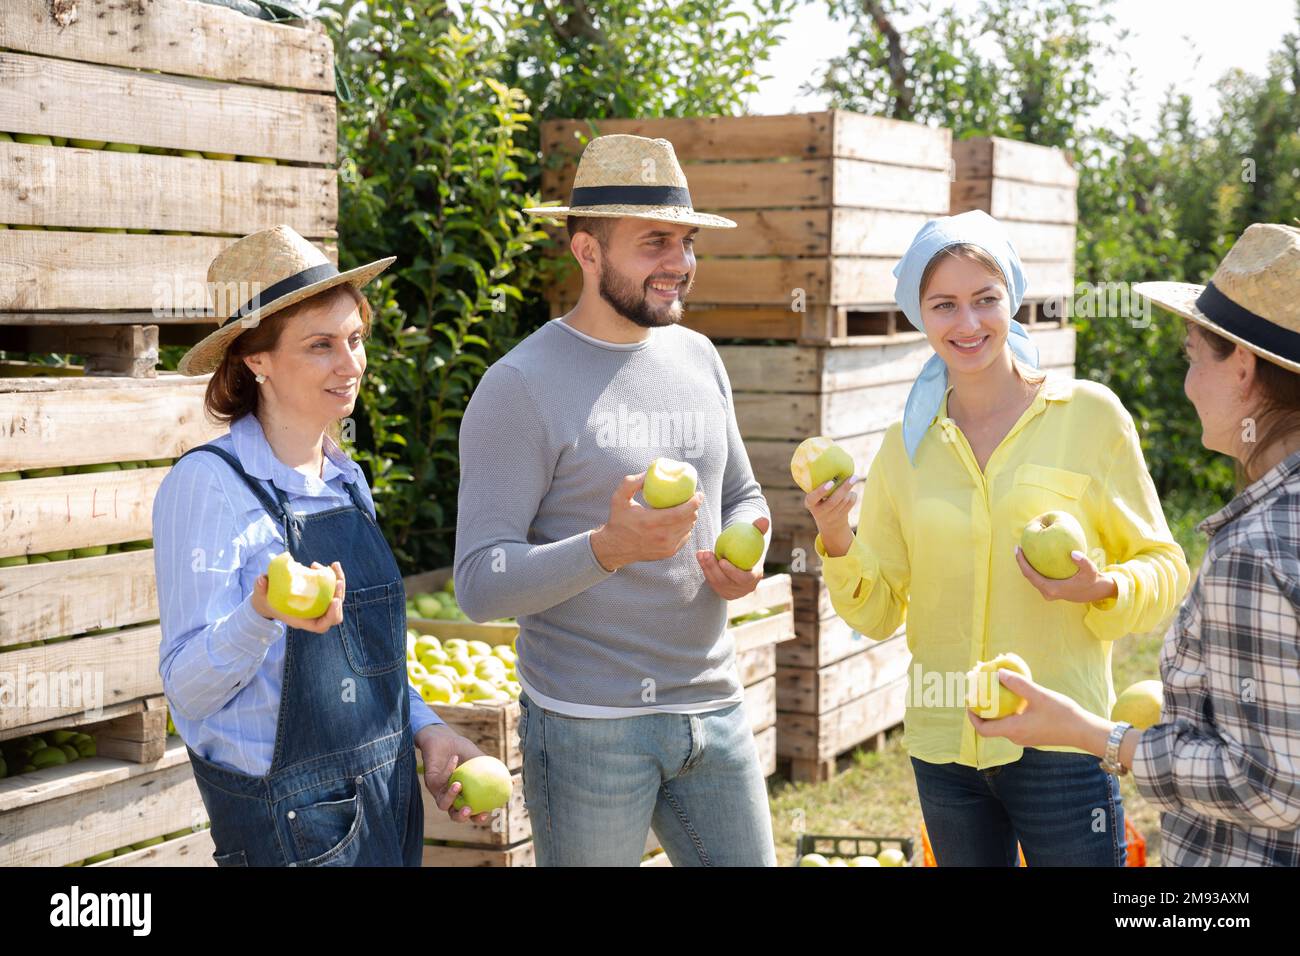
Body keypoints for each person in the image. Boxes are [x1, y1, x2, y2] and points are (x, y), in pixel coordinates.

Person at [803, 210, 1190, 866]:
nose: (969, 323)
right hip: (944, 746)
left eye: (986, 300)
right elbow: (878, 610)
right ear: (918, 316)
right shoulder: (905, 449)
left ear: (1012, 300)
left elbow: (1165, 566)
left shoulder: (1089, 417)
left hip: (1064, 743)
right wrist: (838, 538)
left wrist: (1104, 586)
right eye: (945, 305)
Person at [454, 134, 776, 866]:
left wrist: (747, 545)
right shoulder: (519, 386)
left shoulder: (698, 356)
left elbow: (744, 494)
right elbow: (478, 583)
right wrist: (610, 548)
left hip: (713, 708)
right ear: (587, 252)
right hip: (586, 726)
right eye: (654, 242)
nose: (681, 263)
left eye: (687, 242)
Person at [156, 225, 487, 867]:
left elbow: (365, 653)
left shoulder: (343, 475)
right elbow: (187, 692)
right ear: (257, 360)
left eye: (355, 339)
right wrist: (259, 617)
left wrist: (426, 727)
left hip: (388, 802)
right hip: (292, 830)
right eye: (320, 346)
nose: (351, 364)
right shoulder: (208, 486)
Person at [973, 222, 1300, 866]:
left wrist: (1092, 734)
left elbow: (1271, 784)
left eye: (1192, 356)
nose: (1186, 383)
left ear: (1242, 366)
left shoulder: (1254, 552)